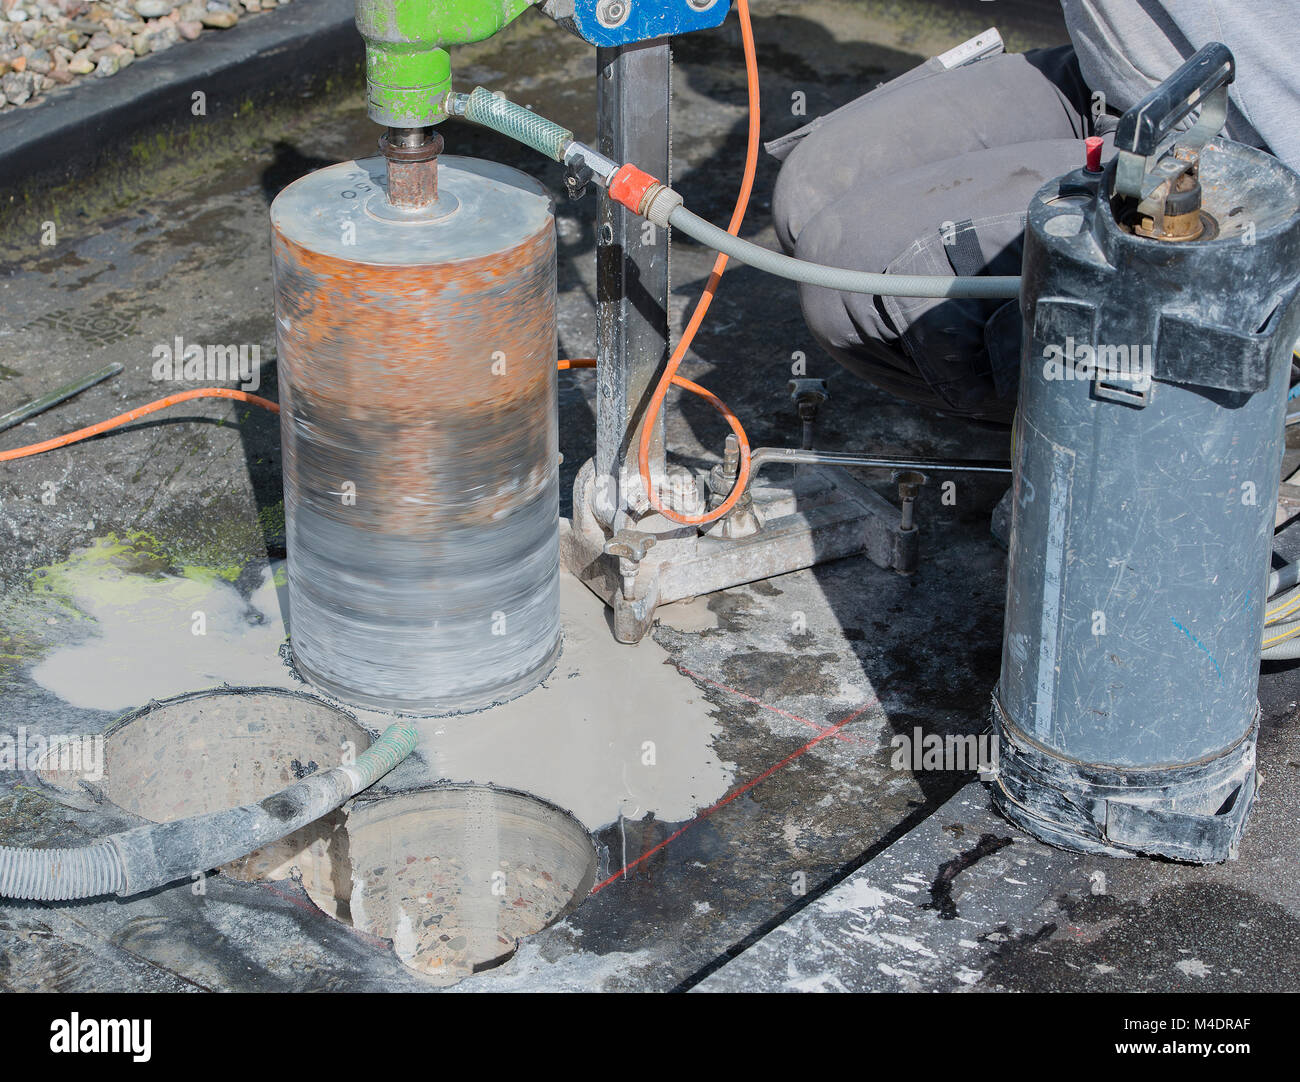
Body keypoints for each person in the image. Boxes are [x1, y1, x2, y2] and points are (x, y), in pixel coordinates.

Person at [769, 1, 1300, 425]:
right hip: (1124, 79)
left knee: (851, 275)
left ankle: (1165, 434)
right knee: (812, 189)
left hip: (1244, 146)